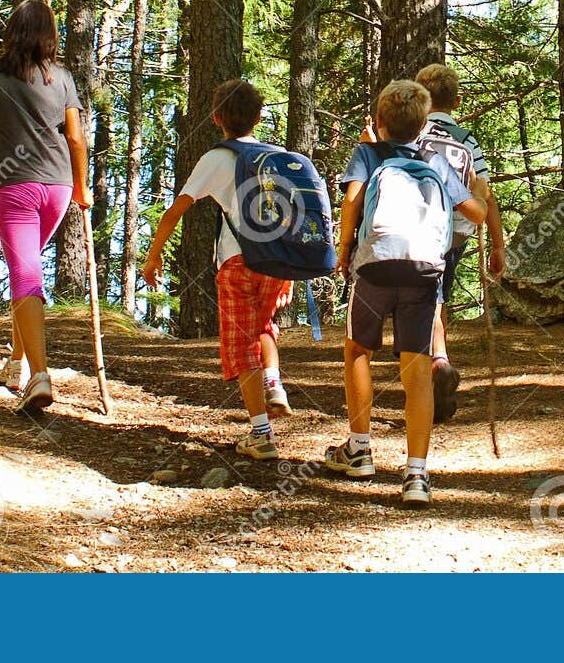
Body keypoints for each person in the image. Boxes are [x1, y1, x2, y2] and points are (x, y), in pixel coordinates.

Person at [324, 80, 486, 507]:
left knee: (359, 349)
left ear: (379, 122)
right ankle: (416, 474)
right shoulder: (435, 160)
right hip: (424, 270)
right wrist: (467, 187)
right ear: (422, 127)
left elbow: (351, 203)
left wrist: (344, 250)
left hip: (375, 265)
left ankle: (359, 448)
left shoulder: (367, 153)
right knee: (416, 367)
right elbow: (477, 213)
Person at [141, 79, 300, 461]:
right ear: (259, 117)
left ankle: (261, 433)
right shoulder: (276, 156)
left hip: (236, 262)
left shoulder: (217, 158)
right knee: (262, 328)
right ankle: (274, 383)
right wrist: (291, 269)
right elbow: (292, 215)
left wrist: (154, 252)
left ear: (216, 118)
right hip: (276, 261)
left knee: (240, 344)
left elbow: (177, 208)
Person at [0, 0, 91, 416]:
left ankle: (40, 375)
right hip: (58, 188)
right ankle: (17, 361)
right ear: (49, 35)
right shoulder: (62, 79)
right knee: (26, 269)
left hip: (14, 188)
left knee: (25, 274)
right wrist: (81, 188)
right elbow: (76, 139)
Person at [414, 63, 506, 422]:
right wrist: (498, 246)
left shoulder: (414, 135)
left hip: (417, 225)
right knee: (439, 293)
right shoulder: (467, 141)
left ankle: (436, 360)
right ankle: (437, 356)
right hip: (456, 228)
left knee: (426, 297)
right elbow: (486, 194)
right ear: (457, 100)